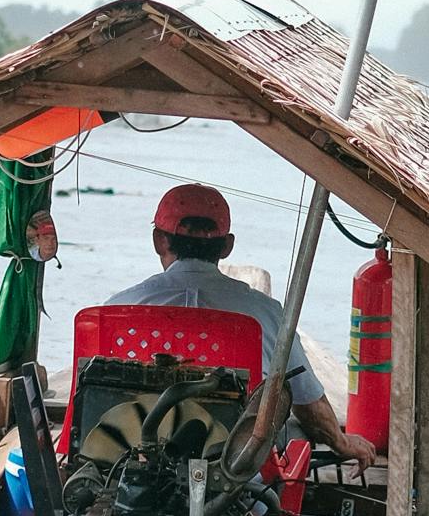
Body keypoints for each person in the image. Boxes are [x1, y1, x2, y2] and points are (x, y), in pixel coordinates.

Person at [108, 183, 360, 458]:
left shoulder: (115, 310)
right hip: (230, 467)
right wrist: (343, 443)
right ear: (226, 246)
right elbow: (308, 405)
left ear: (159, 240)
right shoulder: (266, 313)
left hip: (126, 457)